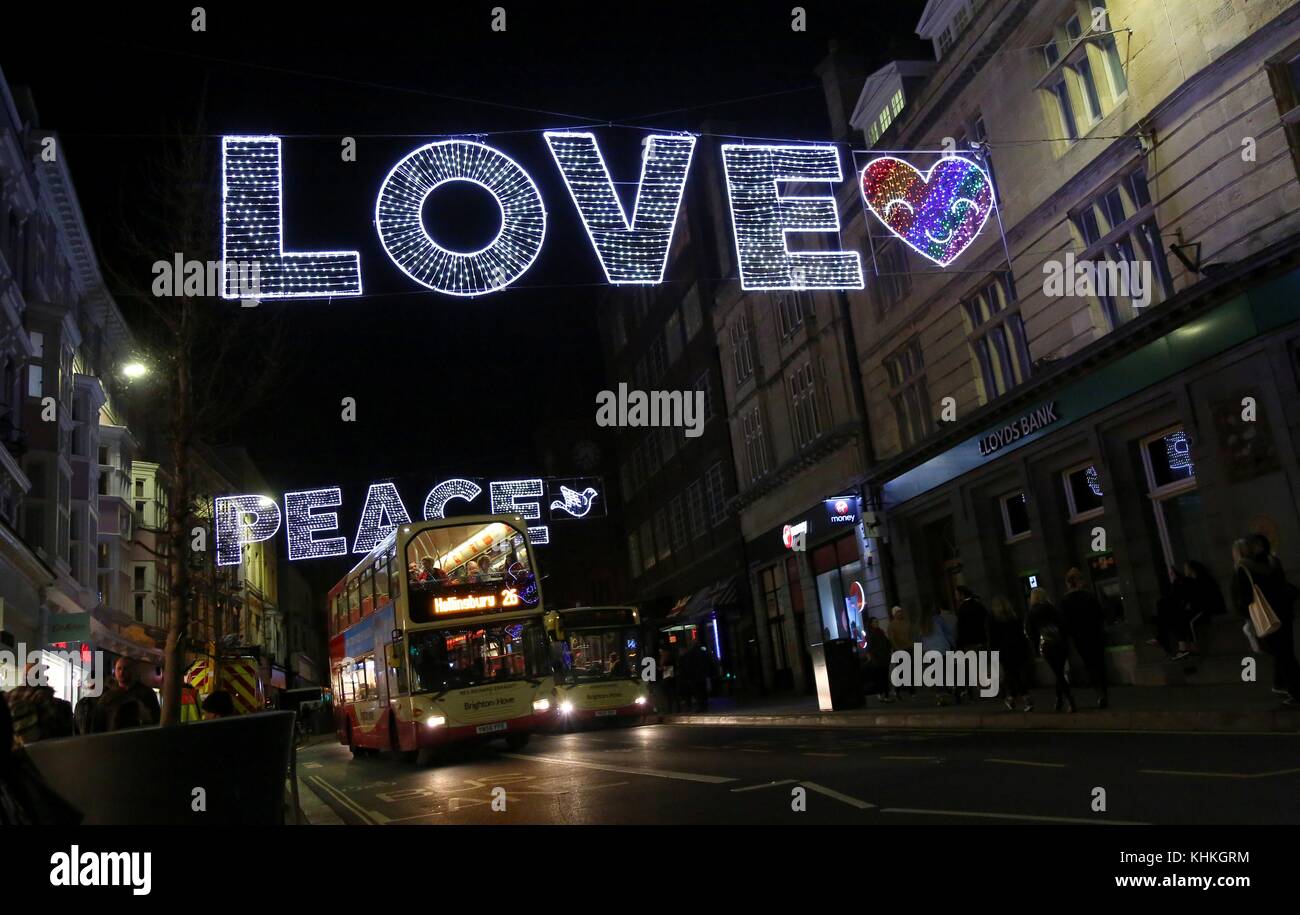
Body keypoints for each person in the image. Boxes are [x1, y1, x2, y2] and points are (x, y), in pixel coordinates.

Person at [1232, 535, 1299, 705]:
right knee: (1287, 653)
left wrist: (1244, 613)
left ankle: (1296, 692)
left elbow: (1246, 598)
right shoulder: (1273, 562)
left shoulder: (1244, 568)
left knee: (1281, 655)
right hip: (1284, 611)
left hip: (1266, 616)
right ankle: (1281, 684)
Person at [1060, 568, 1109, 709]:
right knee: (1100, 664)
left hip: (1080, 637)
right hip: (1095, 634)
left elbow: (1065, 623)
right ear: (1079, 581)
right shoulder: (1090, 596)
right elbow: (1100, 615)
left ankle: (1099, 693)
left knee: (1090, 665)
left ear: (1069, 583)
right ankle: (1103, 692)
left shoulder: (1065, 601)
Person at [1026, 587, 1074, 713]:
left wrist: (1036, 645)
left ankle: (1070, 700)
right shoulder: (1053, 608)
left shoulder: (1032, 612)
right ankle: (1059, 699)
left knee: (1058, 673)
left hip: (1046, 645)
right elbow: (1063, 625)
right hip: (1060, 643)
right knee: (1059, 671)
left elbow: (1030, 632)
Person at [988, 595, 1031, 711]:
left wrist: (993, 653)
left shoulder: (994, 621)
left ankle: (1022, 697)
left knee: (1010, 674)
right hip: (1017, 649)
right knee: (1016, 674)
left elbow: (993, 639)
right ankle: (1015, 697)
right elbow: (1021, 635)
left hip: (1004, 651)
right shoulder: (1015, 619)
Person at [1150, 566, 1193, 661]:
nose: (1170, 575)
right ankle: (1165, 644)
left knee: (1168, 619)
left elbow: (1182, 598)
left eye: (1172, 573)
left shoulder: (1183, 583)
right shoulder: (1175, 585)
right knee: (1162, 618)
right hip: (1177, 610)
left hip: (1182, 610)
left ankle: (1163, 642)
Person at [954, 586, 989, 700]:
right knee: (984, 665)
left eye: (957, 594)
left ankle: (983, 689)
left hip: (969, 642)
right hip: (982, 639)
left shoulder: (962, 608)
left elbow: (961, 628)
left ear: (962, 595)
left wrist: (959, 644)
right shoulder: (979, 605)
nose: (956, 597)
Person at [918, 606, 957, 705]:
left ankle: (941, 697)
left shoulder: (922, 623)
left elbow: (921, 638)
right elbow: (947, 633)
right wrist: (954, 644)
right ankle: (953, 689)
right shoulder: (938, 620)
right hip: (942, 648)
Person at [1183, 559, 1226, 648]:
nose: (1185, 571)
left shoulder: (1203, 580)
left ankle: (1195, 646)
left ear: (1191, 569)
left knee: (1191, 622)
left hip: (1209, 608)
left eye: (1186, 568)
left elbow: (1204, 600)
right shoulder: (1193, 581)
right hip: (1202, 608)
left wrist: (1192, 606)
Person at [862, 616, 894, 702]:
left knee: (884, 677)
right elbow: (871, 648)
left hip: (884, 657)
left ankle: (886, 695)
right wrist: (874, 657)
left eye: (877, 622)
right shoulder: (870, 634)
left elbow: (887, 643)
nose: (877, 623)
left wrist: (888, 652)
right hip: (878, 659)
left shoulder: (881, 632)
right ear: (871, 624)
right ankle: (881, 694)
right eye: (875, 622)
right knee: (880, 677)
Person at [886, 607, 915, 698]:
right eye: (898, 612)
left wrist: (912, 645)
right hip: (899, 649)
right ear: (894, 614)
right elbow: (892, 639)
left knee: (910, 669)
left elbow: (911, 635)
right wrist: (897, 649)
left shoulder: (906, 623)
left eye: (901, 612)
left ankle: (911, 690)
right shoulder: (891, 625)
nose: (900, 614)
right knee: (901, 670)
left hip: (908, 648)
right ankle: (898, 689)